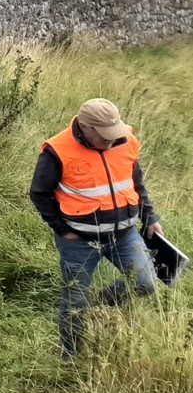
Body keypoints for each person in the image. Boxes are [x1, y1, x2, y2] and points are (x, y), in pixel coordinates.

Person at [30, 97, 162, 360]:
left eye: (114, 135)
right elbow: (39, 193)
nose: (111, 142)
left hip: (125, 234)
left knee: (147, 283)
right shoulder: (57, 151)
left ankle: (104, 299)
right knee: (75, 301)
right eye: (104, 137)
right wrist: (62, 229)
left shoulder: (126, 141)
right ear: (85, 127)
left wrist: (150, 217)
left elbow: (136, 183)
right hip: (78, 241)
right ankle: (69, 357)